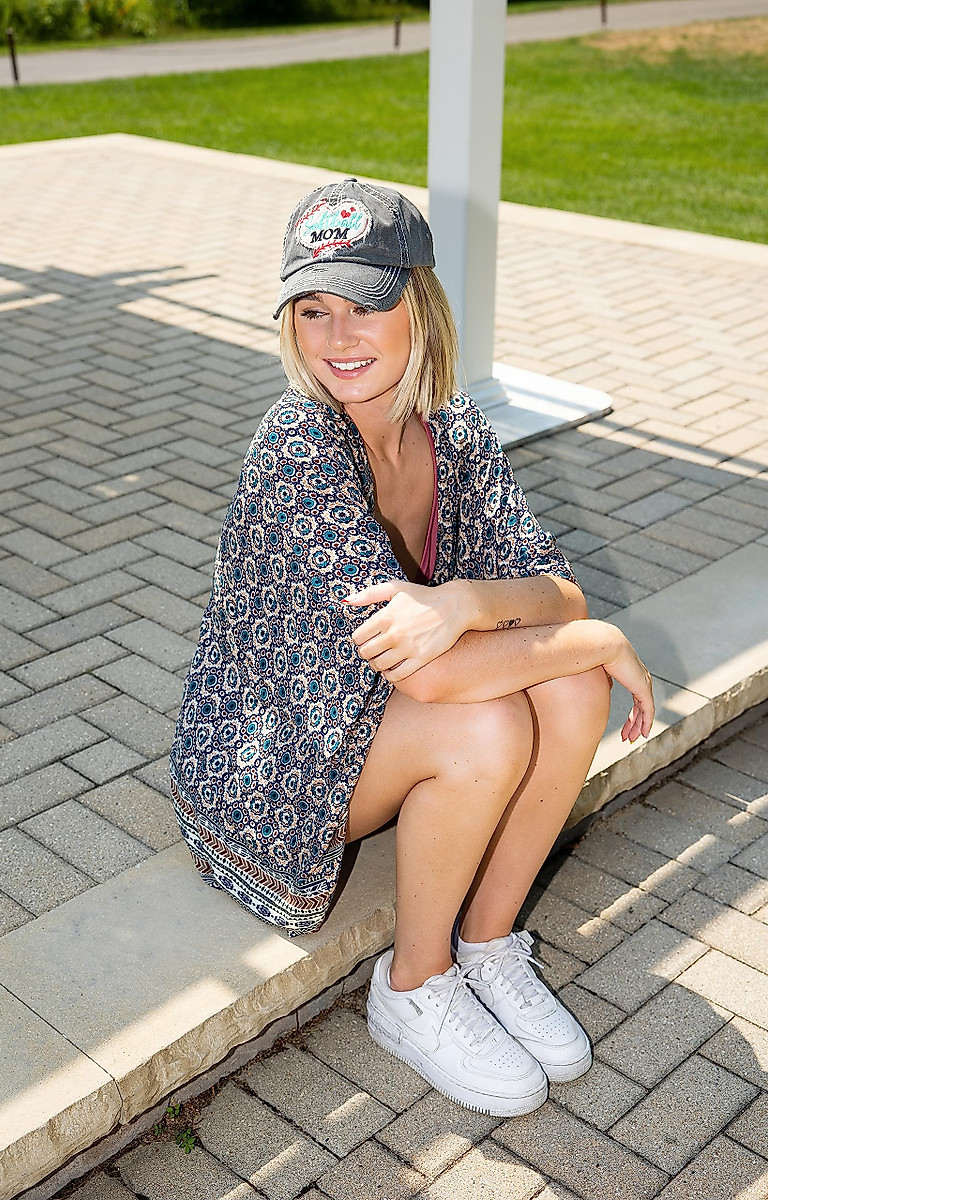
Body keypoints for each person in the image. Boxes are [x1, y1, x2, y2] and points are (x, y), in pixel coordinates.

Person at [168, 178, 655, 1119]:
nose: (338, 336)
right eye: (313, 309)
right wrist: (595, 634)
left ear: (419, 306)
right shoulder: (299, 444)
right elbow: (438, 671)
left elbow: (553, 587)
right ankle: (413, 987)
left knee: (570, 686)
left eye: (365, 304)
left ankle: (487, 942)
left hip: (371, 716)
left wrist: (469, 599)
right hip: (273, 760)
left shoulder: (451, 425)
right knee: (488, 724)